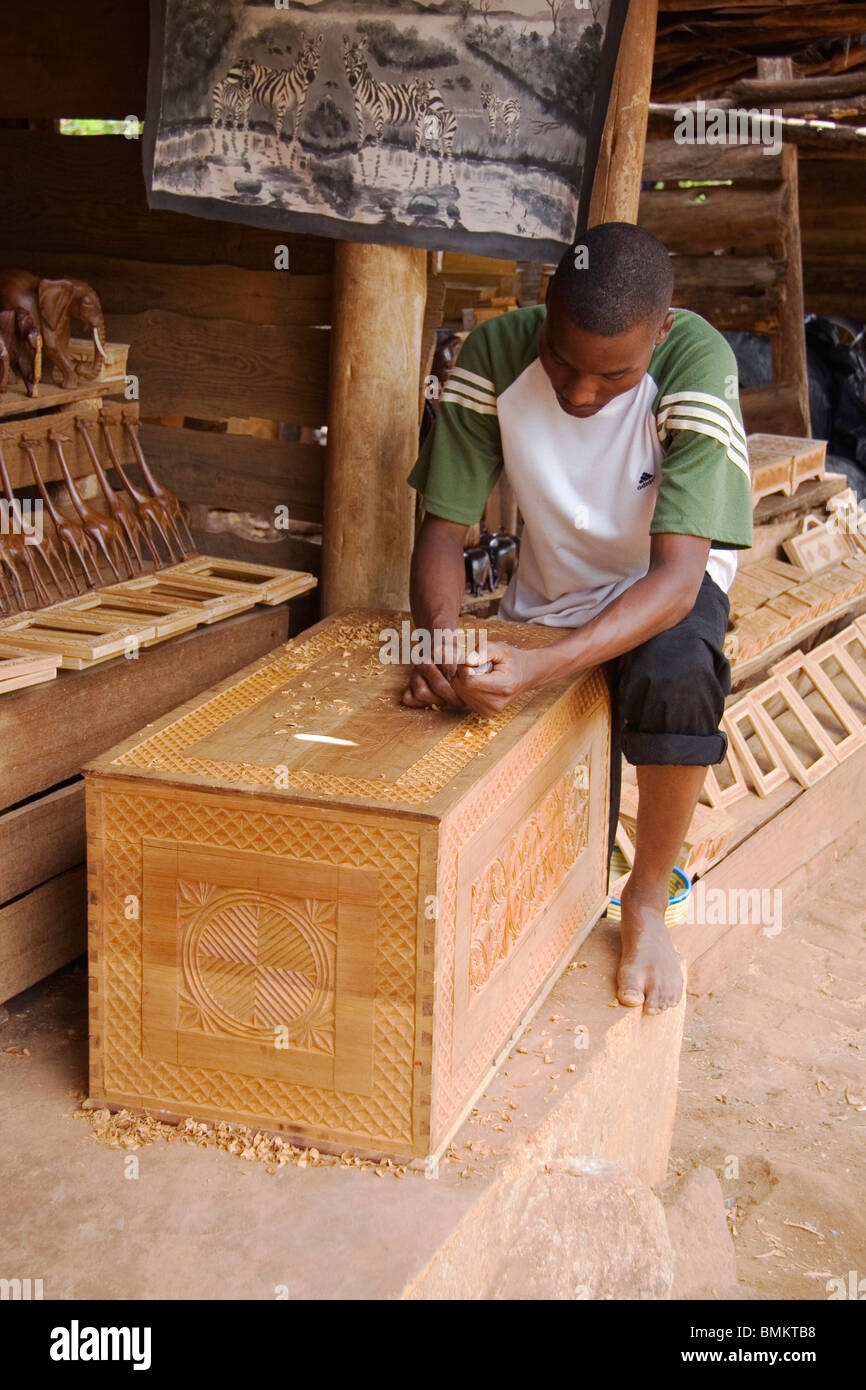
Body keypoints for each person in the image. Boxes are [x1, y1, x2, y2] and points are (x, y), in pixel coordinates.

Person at [403, 221, 753, 1016]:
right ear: (544, 308)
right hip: (553, 590)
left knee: (677, 676)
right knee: (458, 716)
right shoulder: (495, 354)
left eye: (615, 375)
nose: (583, 392)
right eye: (563, 361)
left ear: (660, 333)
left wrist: (538, 668)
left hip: (661, 584)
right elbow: (441, 532)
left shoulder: (697, 362)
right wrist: (440, 636)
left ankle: (645, 898)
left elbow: (676, 579)